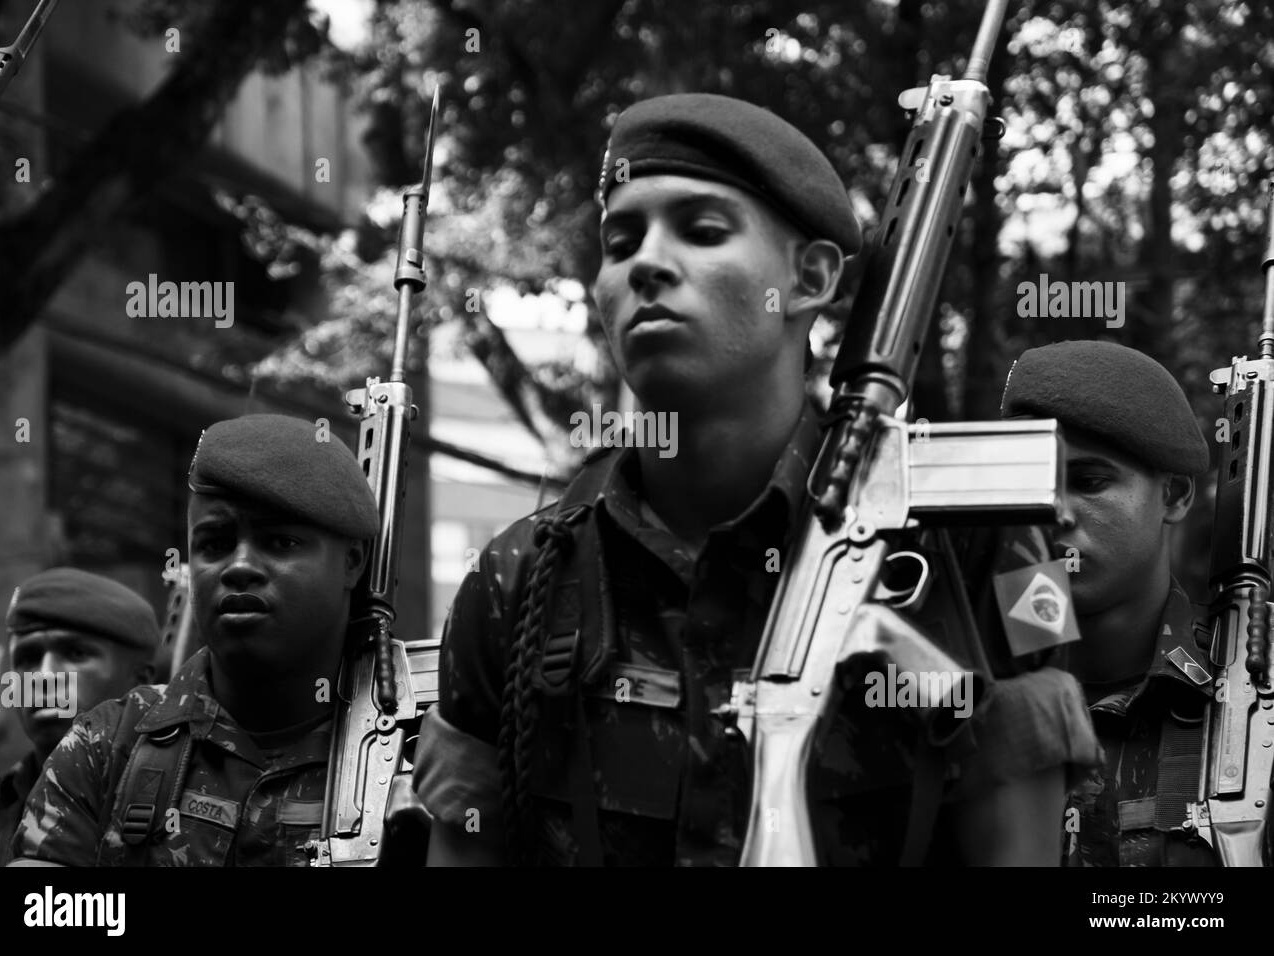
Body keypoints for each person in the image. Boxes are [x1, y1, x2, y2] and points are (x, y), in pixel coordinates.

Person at [413, 93, 1099, 867]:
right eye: (620, 241)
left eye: (703, 231)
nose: (647, 264)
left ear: (808, 279)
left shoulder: (982, 547)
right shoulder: (520, 581)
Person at [9, 414, 378, 866]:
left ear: (353, 562)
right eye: (215, 543)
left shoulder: (402, 754)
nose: (239, 565)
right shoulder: (106, 745)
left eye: (280, 542)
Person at [1000, 339, 1216, 866]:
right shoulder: (960, 688)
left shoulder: (1247, 694)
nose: (1055, 513)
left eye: (1090, 482)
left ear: (1174, 495)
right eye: (1032, 483)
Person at [0, 568, 158, 866]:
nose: (44, 676)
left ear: (140, 680)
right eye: (28, 658)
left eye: (75, 653)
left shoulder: (174, 798)